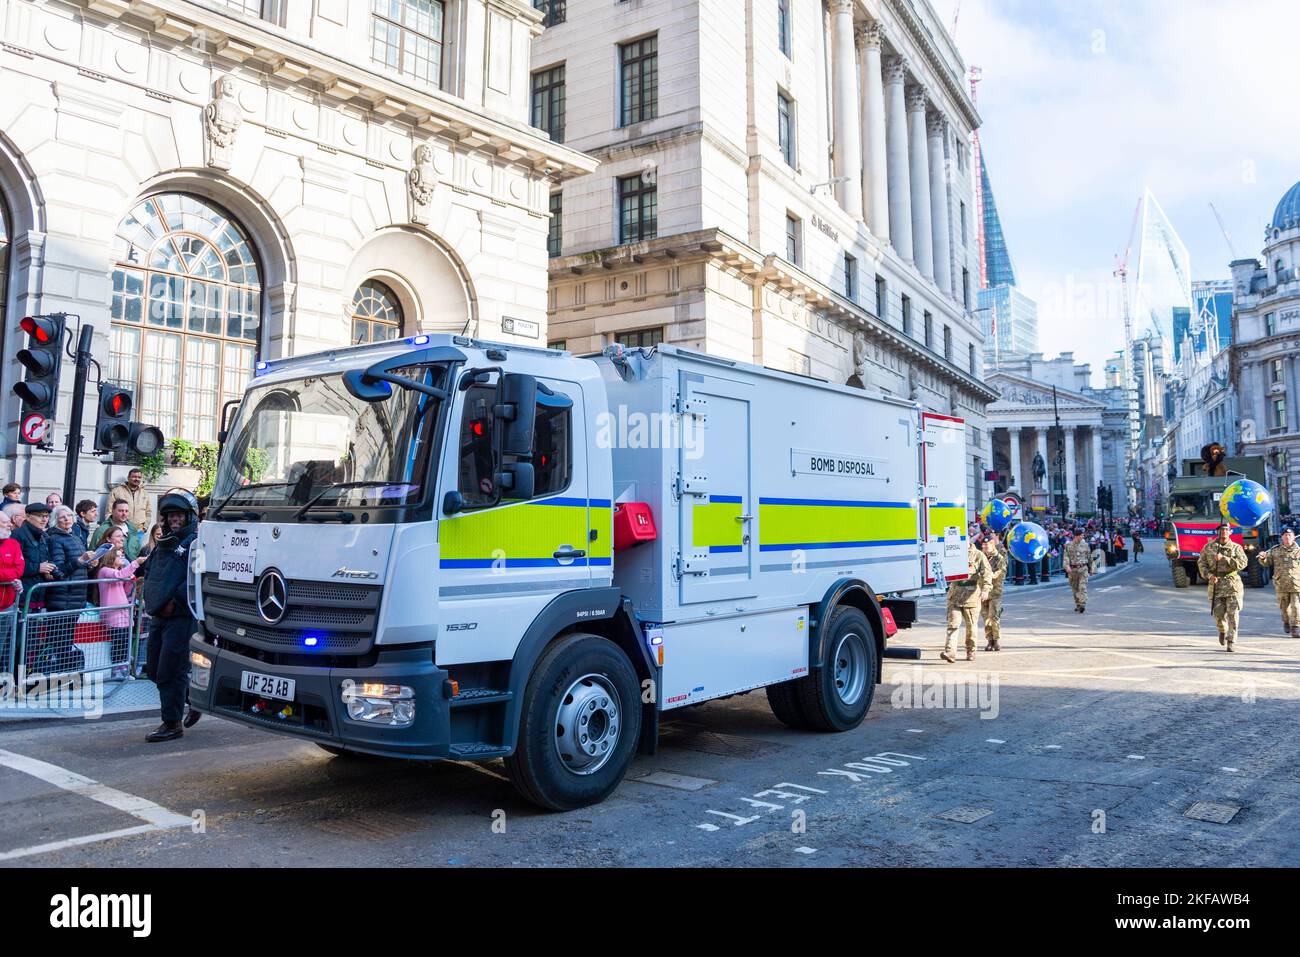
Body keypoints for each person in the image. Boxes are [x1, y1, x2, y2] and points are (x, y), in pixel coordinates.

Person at [142, 490, 200, 742]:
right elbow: (151, 571)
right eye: (170, 516)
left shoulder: (194, 544)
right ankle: (194, 697)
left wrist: (173, 603)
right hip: (158, 615)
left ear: (188, 517)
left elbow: (193, 578)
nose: (174, 520)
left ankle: (172, 723)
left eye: (179, 515)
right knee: (154, 670)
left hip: (180, 617)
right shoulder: (163, 544)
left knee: (170, 671)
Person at [96, 528, 145, 678]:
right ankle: (116, 670)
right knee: (118, 642)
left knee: (125, 641)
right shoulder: (104, 570)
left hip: (123, 611)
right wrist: (135, 563)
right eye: (119, 556)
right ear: (111, 557)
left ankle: (123, 668)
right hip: (113, 613)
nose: (122, 558)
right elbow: (118, 576)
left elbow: (126, 587)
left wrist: (131, 580)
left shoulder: (120, 570)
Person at [1197, 522, 1248, 652]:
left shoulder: (1236, 548)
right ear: (1217, 532)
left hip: (1232, 585)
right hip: (1216, 585)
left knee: (1233, 614)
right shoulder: (1208, 547)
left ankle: (1231, 640)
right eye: (1221, 530)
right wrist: (1209, 576)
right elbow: (1201, 564)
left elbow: (1242, 563)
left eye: (1226, 529)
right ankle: (1222, 629)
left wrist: (1224, 558)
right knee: (1218, 614)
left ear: (1230, 532)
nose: (1224, 532)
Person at [940, 540, 992, 663]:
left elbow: (987, 573)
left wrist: (986, 590)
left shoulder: (978, 555)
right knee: (953, 625)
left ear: (969, 540)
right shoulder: (953, 553)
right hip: (955, 595)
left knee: (971, 627)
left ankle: (971, 651)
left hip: (971, 597)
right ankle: (950, 653)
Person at [46, 505, 97, 613]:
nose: (67, 519)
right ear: (55, 521)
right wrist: (80, 560)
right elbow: (59, 571)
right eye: (62, 517)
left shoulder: (75, 537)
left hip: (77, 596)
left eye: (69, 515)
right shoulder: (54, 538)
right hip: (63, 598)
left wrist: (90, 564)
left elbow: (80, 567)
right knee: (59, 629)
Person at [1257, 526, 1300, 638]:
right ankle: (1286, 622)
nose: (1287, 537)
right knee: (1284, 609)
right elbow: (1266, 563)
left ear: (1294, 537)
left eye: (1290, 535)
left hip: (1296, 584)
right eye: (1285, 535)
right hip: (1281, 584)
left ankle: (1295, 627)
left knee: (1296, 606)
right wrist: (1262, 558)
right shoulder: (1275, 550)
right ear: (1282, 537)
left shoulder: (1299, 551)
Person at [0, 510, 24, 673]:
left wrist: (7, 575)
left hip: (7, 604)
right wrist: (10, 576)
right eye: (6, 522)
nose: (10, 525)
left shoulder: (13, 543)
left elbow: (19, 569)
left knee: (2, 645)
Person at [981, 535, 1007, 652]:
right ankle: (989, 640)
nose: (985, 547)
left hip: (995, 591)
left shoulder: (999, 558)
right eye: (983, 545)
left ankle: (996, 640)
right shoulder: (980, 556)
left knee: (994, 616)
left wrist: (989, 575)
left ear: (992, 545)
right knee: (985, 617)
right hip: (982, 591)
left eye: (987, 545)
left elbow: (1001, 572)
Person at [109, 468, 153, 536]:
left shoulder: (145, 493)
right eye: (134, 477)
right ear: (128, 477)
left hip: (138, 531)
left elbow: (148, 512)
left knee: (136, 547)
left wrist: (145, 527)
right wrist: (112, 528)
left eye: (139, 477)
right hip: (120, 530)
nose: (137, 479)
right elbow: (109, 511)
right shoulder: (117, 491)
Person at [1065, 527, 1092, 613]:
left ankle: (1082, 604)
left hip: (1083, 569)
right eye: (1081, 535)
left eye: (1083, 535)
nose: (1083, 536)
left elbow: (1089, 557)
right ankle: (1078, 604)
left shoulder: (1086, 545)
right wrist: (1067, 566)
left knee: (1082, 587)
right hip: (1073, 570)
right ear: (1076, 536)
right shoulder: (1068, 545)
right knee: (1075, 588)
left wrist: (1092, 568)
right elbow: (1066, 557)